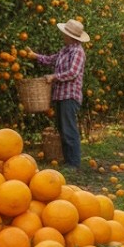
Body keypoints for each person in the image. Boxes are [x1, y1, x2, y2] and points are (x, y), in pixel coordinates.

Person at [32, 19, 90, 170]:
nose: (62, 35)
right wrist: (34, 56)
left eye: (64, 33)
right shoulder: (65, 50)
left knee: (69, 129)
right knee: (63, 128)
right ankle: (68, 160)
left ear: (70, 36)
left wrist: (54, 77)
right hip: (60, 95)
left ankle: (74, 163)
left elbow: (73, 73)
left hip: (70, 96)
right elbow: (51, 59)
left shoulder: (78, 52)